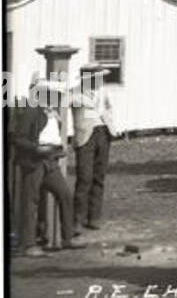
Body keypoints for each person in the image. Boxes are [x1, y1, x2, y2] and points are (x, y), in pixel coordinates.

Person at [11, 76, 83, 255]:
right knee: (31, 200)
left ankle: (67, 237)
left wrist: (59, 149)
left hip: (51, 159)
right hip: (34, 160)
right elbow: (17, 139)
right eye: (53, 94)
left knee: (65, 194)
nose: (57, 98)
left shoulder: (51, 112)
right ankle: (28, 245)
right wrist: (36, 148)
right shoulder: (31, 110)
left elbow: (54, 134)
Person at [70, 66, 115, 231]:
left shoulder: (103, 92)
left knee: (99, 176)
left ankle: (94, 217)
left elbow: (109, 107)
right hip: (85, 137)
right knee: (84, 177)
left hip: (103, 133)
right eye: (97, 78)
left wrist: (109, 121)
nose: (101, 81)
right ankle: (77, 220)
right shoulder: (76, 92)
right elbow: (67, 104)